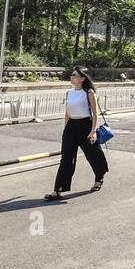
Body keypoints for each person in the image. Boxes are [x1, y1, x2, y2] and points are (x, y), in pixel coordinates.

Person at [45, 65, 109, 201]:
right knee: (66, 159)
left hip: (85, 126)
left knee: (93, 155)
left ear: (82, 79)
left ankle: (99, 178)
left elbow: (95, 112)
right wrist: (65, 129)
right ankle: (58, 190)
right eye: (72, 75)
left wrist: (93, 131)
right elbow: (67, 112)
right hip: (71, 127)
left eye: (74, 75)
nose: (71, 77)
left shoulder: (89, 92)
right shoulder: (69, 92)